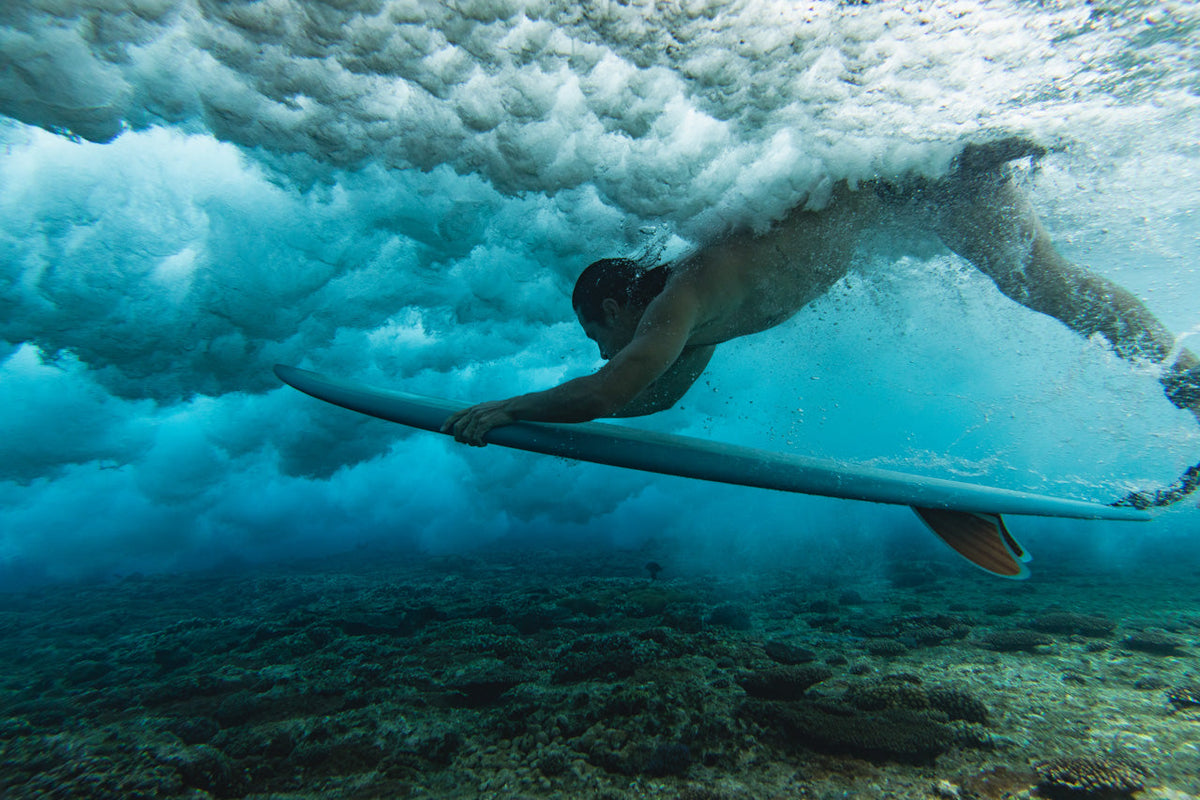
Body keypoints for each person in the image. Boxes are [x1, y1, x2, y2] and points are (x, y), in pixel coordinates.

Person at [442, 138, 1200, 508]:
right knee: (1040, 285)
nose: (604, 348)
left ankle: (1186, 377)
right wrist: (539, 426)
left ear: (612, 308)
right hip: (896, 196)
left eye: (594, 335)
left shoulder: (681, 300)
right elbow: (654, 397)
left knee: (1044, 285)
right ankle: (1186, 381)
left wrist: (507, 408)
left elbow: (613, 388)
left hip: (912, 170)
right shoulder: (691, 324)